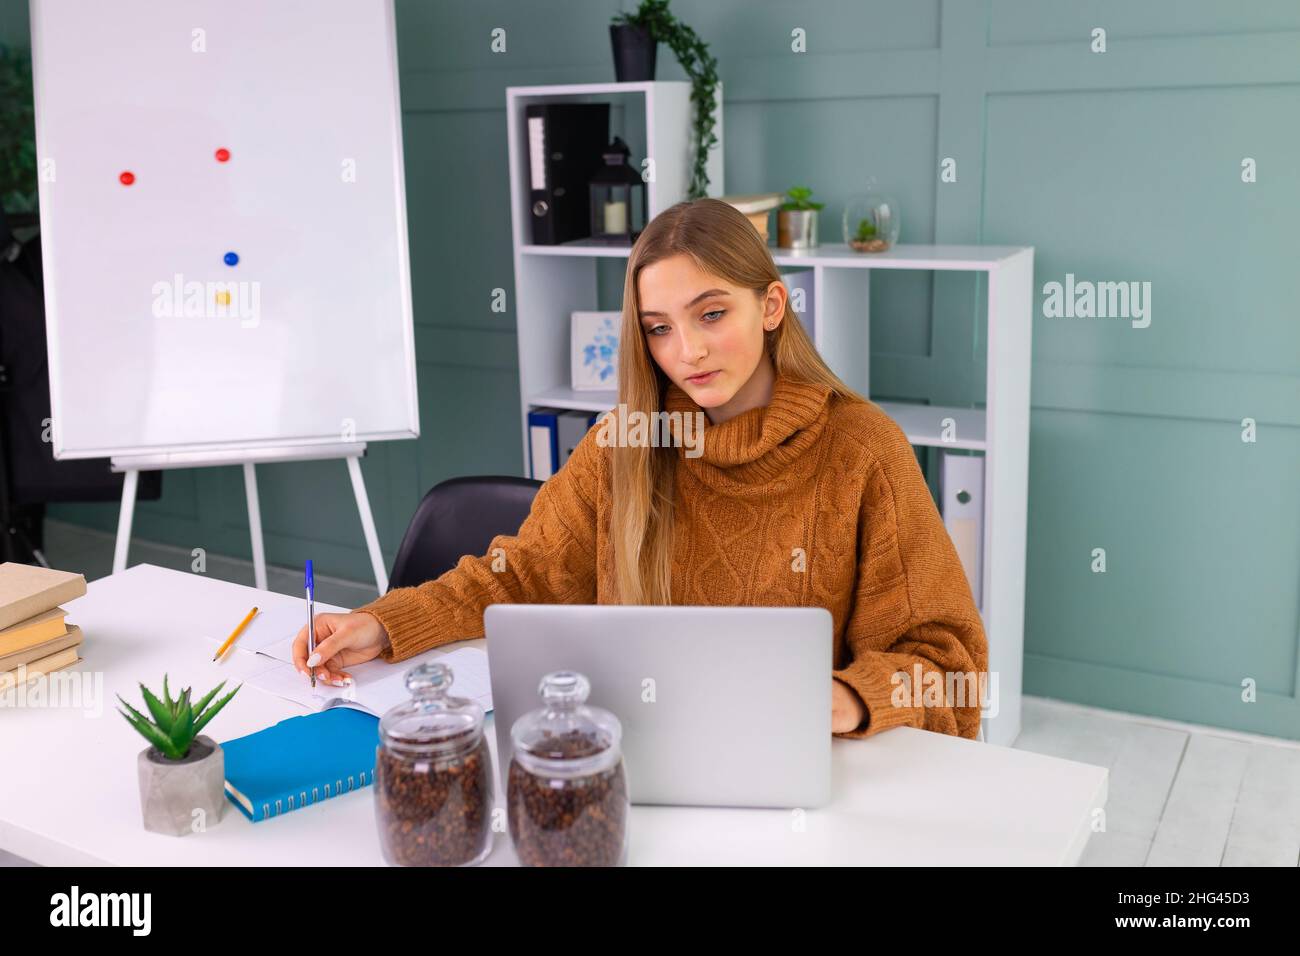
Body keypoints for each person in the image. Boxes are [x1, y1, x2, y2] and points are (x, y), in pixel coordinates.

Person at [292, 197, 988, 738]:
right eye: (659, 327)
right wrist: (385, 624)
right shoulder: (625, 444)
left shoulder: (864, 452)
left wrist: (844, 700)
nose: (686, 351)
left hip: (804, 778)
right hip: (634, 758)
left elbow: (950, 665)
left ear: (772, 305)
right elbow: (523, 575)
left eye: (711, 313)